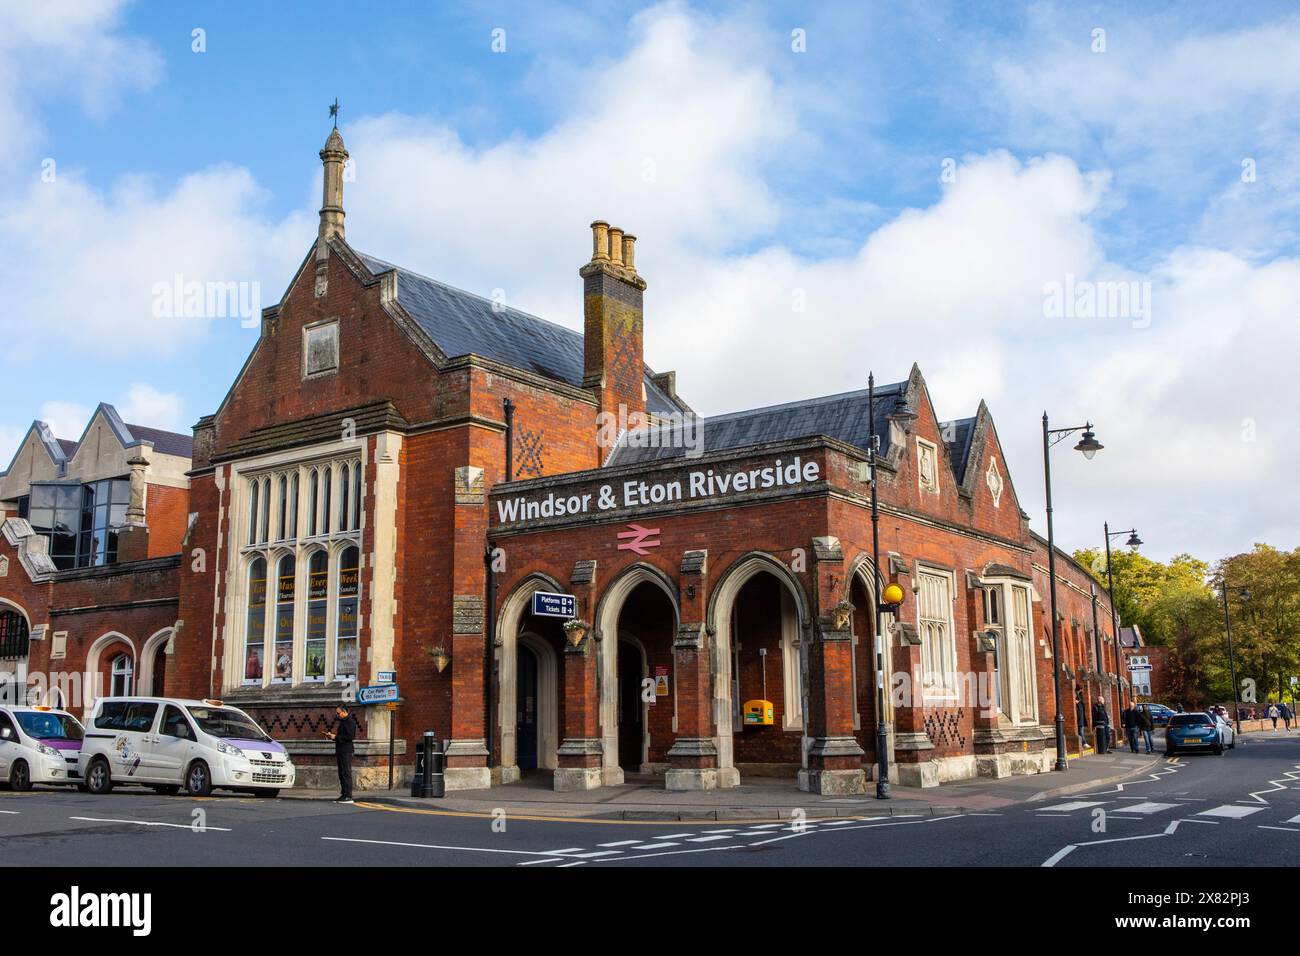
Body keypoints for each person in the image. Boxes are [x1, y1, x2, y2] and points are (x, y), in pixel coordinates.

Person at [326, 703, 357, 804]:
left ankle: (348, 796)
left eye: (338, 713)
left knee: (346, 773)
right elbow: (342, 737)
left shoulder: (350, 722)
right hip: (341, 750)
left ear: (344, 712)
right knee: (341, 773)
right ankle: (344, 794)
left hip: (346, 751)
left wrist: (335, 737)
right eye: (336, 713)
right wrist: (332, 737)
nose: (337, 715)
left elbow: (350, 737)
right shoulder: (343, 722)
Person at [1075, 688, 1090, 753]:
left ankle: (1083, 743)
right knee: (1081, 731)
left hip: (1081, 719)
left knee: (1081, 731)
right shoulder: (1078, 698)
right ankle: (1084, 743)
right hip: (1079, 719)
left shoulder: (1080, 699)